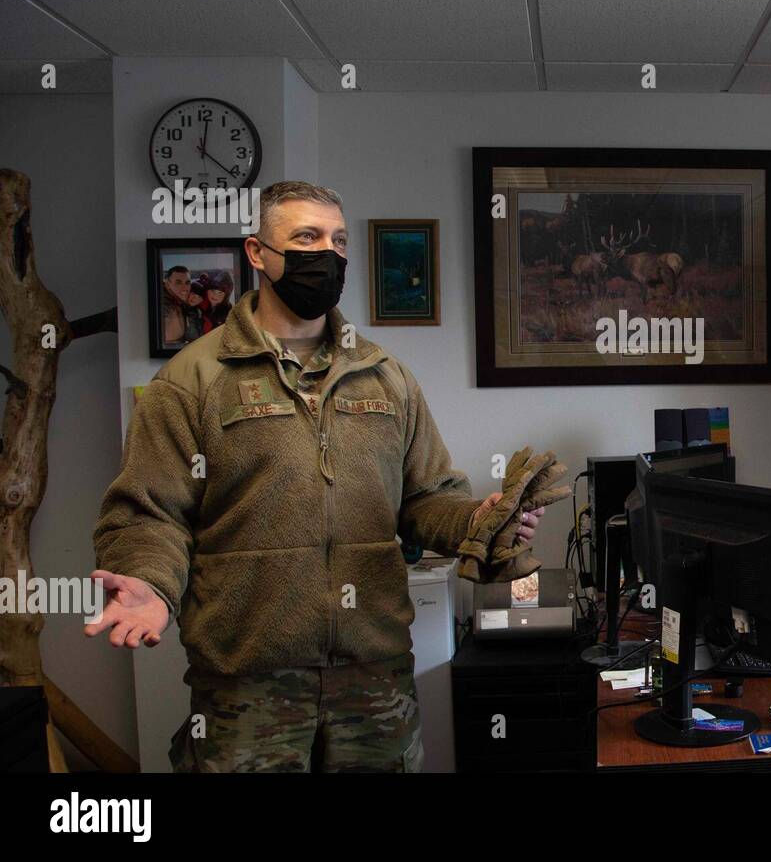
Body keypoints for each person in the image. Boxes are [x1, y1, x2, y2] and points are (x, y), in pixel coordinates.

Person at [89, 180, 548, 771]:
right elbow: (150, 513)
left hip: (374, 677)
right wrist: (149, 585)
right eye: (305, 237)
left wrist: (483, 520)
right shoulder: (192, 381)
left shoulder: (386, 377)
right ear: (258, 254)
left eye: (337, 240)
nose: (325, 254)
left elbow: (428, 498)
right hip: (247, 686)